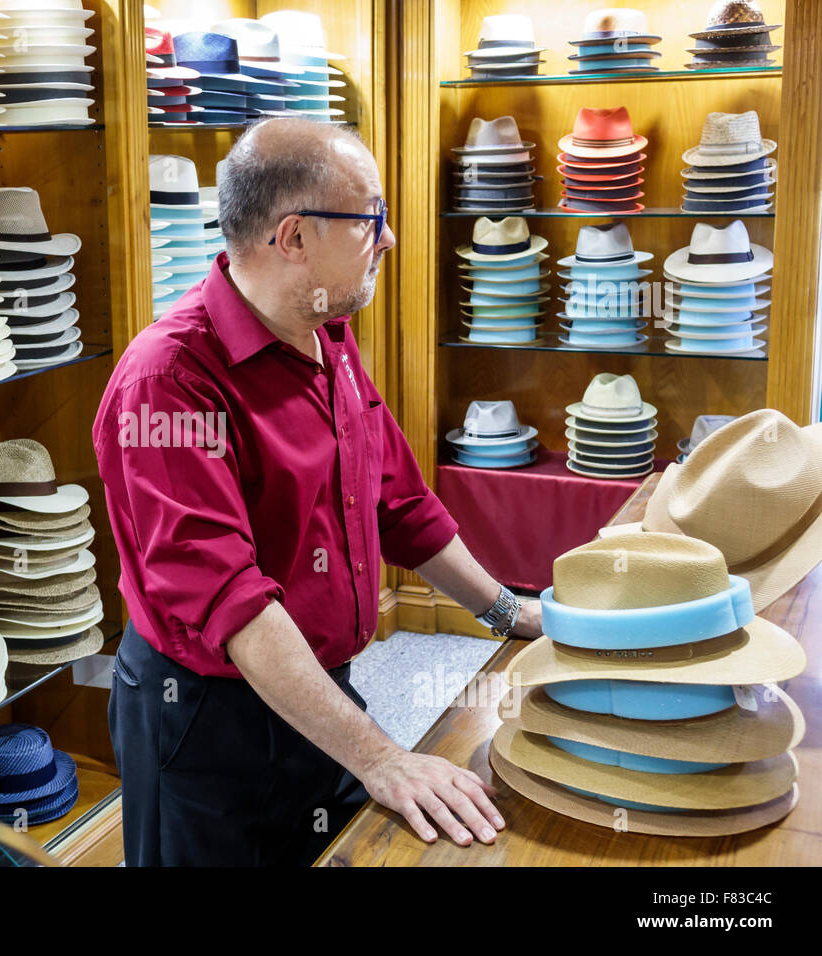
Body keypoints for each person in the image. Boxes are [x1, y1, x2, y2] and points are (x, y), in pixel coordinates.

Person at [92, 117, 543, 867]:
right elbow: (233, 604)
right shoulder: (165, 384)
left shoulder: (325, 331)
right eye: (372, 217)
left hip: (318, 688)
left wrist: (507, 613)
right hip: (207, 721)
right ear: (293, 237)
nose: (389, 239)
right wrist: (380, 758)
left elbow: (395, 500)